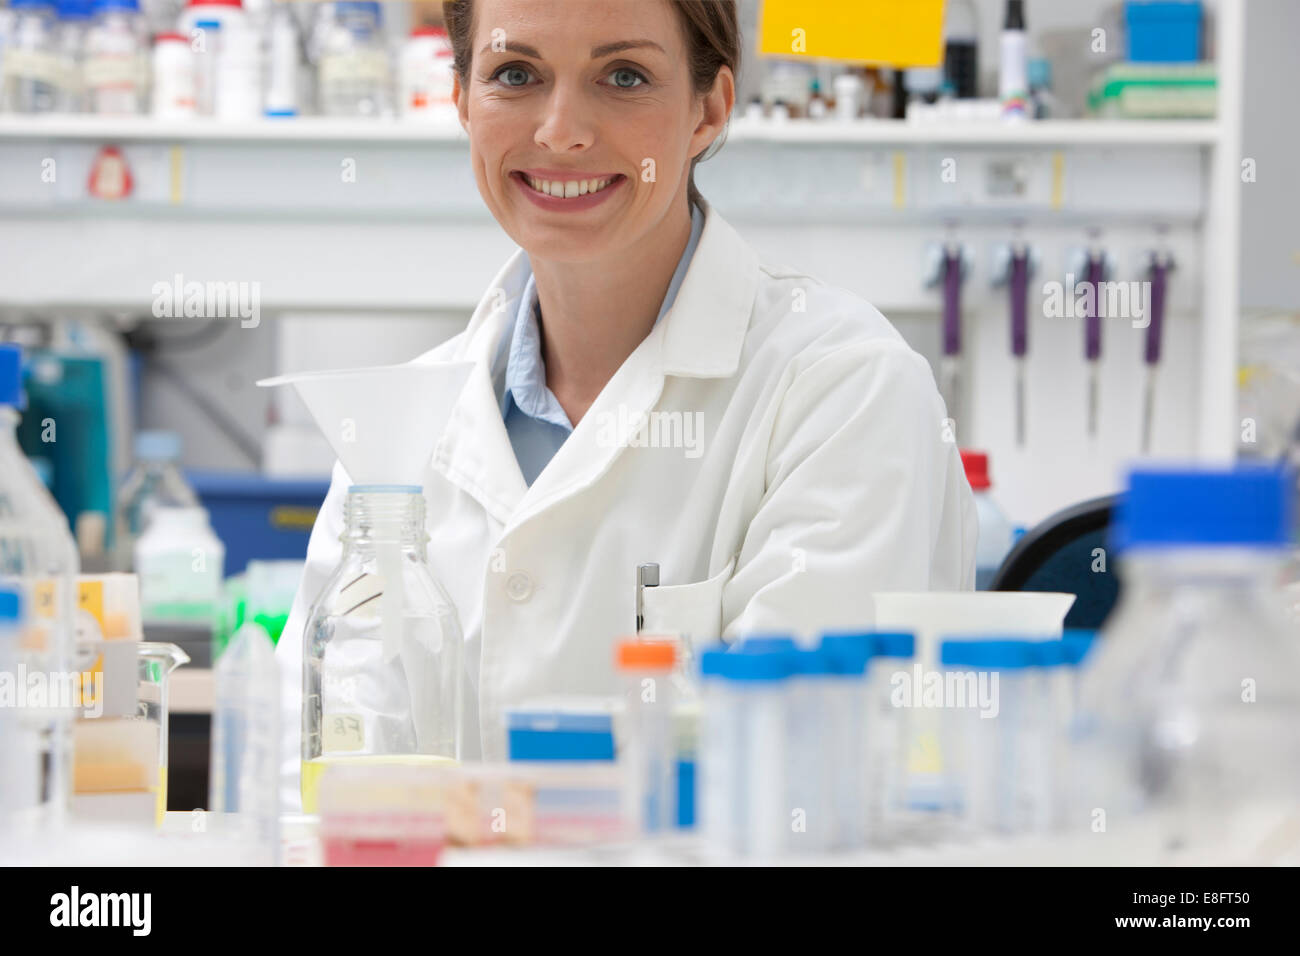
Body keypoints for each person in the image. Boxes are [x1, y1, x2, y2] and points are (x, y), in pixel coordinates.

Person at [278, 0, 975, 808]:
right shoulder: (395, 433)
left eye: (624, 76)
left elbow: (796, 778)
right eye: (515, 74)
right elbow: (311, 787)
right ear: (463, 100)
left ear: (708, 109)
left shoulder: (843, 390)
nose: (562, 130)